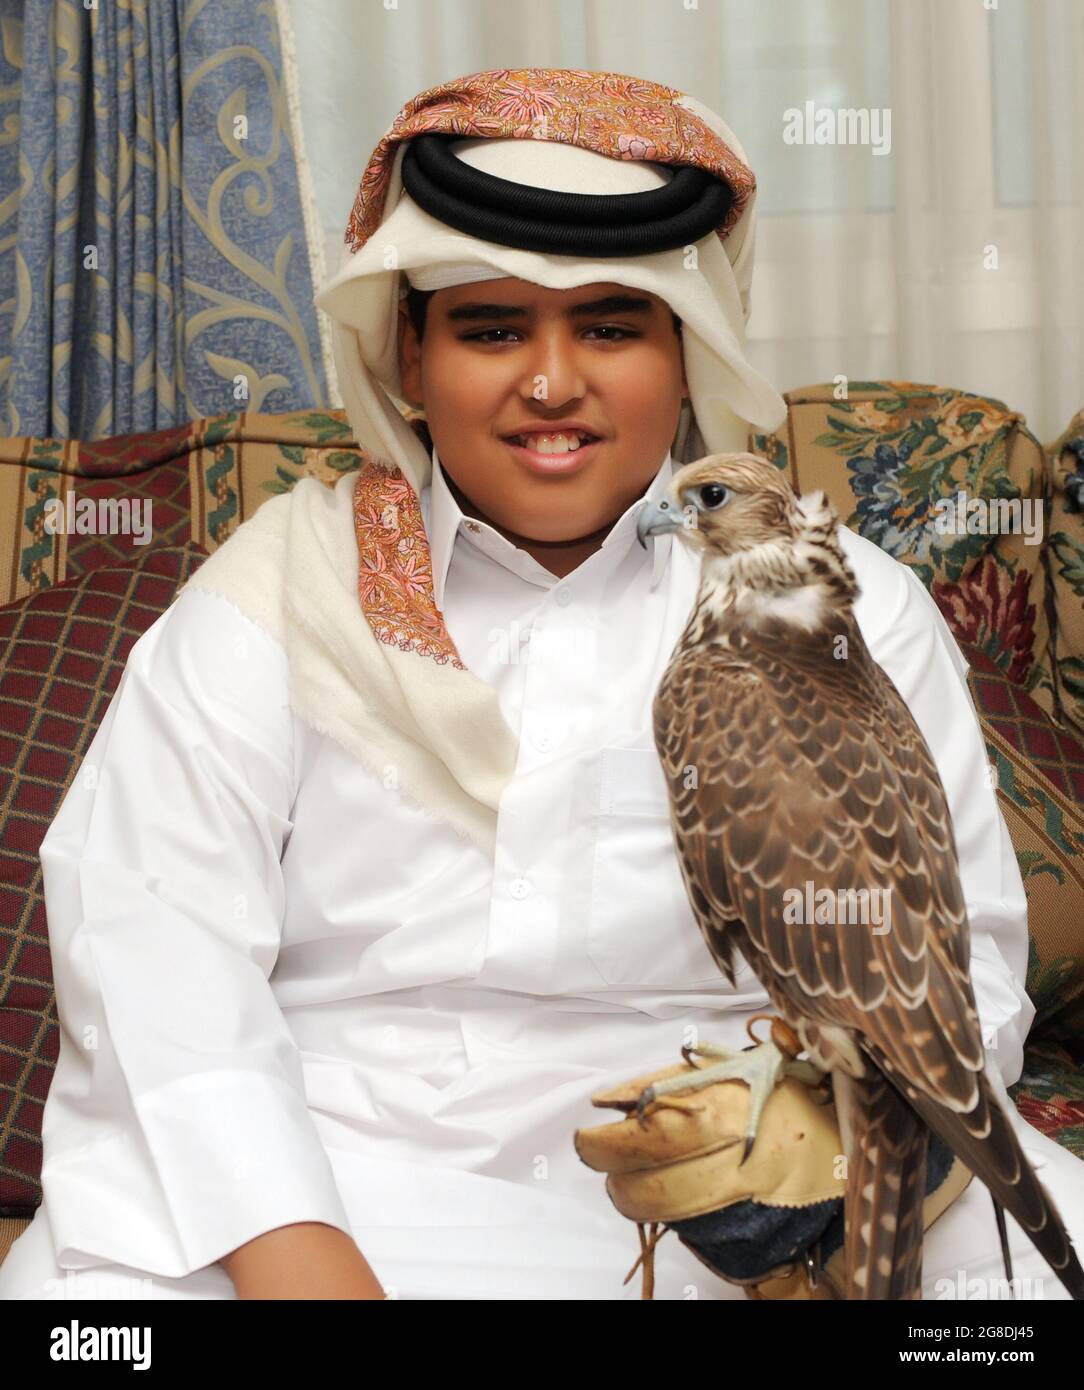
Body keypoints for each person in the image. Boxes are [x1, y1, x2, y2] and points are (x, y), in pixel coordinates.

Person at [1, 68, 1080, 1302]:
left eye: (612, 326)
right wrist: (296, 1256)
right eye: (491, 327)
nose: (551, 382)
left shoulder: (846, 611)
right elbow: (153, 946)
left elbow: (969, 959)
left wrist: (829, 1177)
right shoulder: (274, 597)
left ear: (686, 354)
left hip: (750, 1162)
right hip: (336, 1168)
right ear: (410, 354)